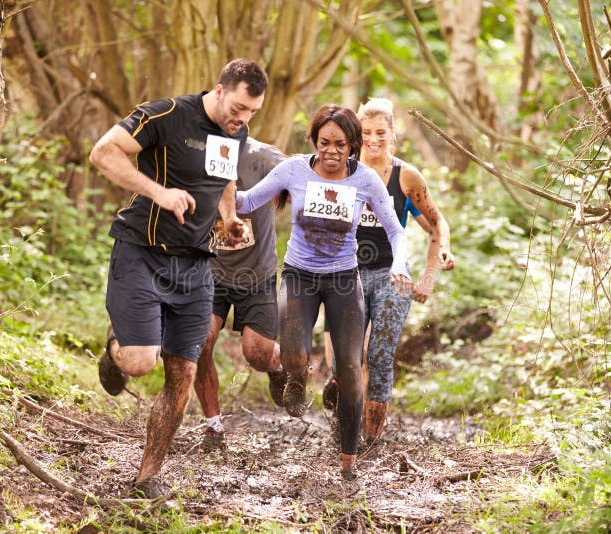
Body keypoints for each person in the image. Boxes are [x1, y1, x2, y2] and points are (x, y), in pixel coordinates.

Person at [88, 58, 268, 498]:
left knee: (182, 373)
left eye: (251, 113)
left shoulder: (235, 132)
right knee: (139, 362)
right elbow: (102, 152)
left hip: (195, 265)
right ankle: (117, 352)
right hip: (141, 254)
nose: (242, 119)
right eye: (239, 107)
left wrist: (229, 217)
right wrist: (158, 192)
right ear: (220, 89)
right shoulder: (165, 115)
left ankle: (146, 478)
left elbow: (225, 177)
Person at [233, 104, 412, 480]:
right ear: (314, 140)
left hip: (345, 280)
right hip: (300, 276)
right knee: (296, 354)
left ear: (353, 146)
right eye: (325, 142)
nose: (332, 151)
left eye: (341, 145)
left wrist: (399, 264)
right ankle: (296, 378)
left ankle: (348, 462)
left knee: (349, 368)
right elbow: (247, 201)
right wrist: (211, 185)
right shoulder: (294, 169)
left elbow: (396, 230)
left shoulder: (365, 180)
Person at [323, 97, 455, 447]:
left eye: (380, 132)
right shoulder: (343, 170)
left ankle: (368, 441)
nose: (373, 139)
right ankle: (343, 419)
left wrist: (431, 272)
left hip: (392, 276)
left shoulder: (406, 176)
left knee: (379, 356)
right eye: (366, 132)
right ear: (356, 135)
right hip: (348, 274)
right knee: (343, 363)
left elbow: (436, 222)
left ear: (392, 133)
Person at [194, 137, 287, 450]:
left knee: (257, 353)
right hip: (212, 270)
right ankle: (213, 427)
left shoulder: (262, 157)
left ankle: (277, 368)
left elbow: (304, 172)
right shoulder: (195, 150)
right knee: (199, 341)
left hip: (257, 274)